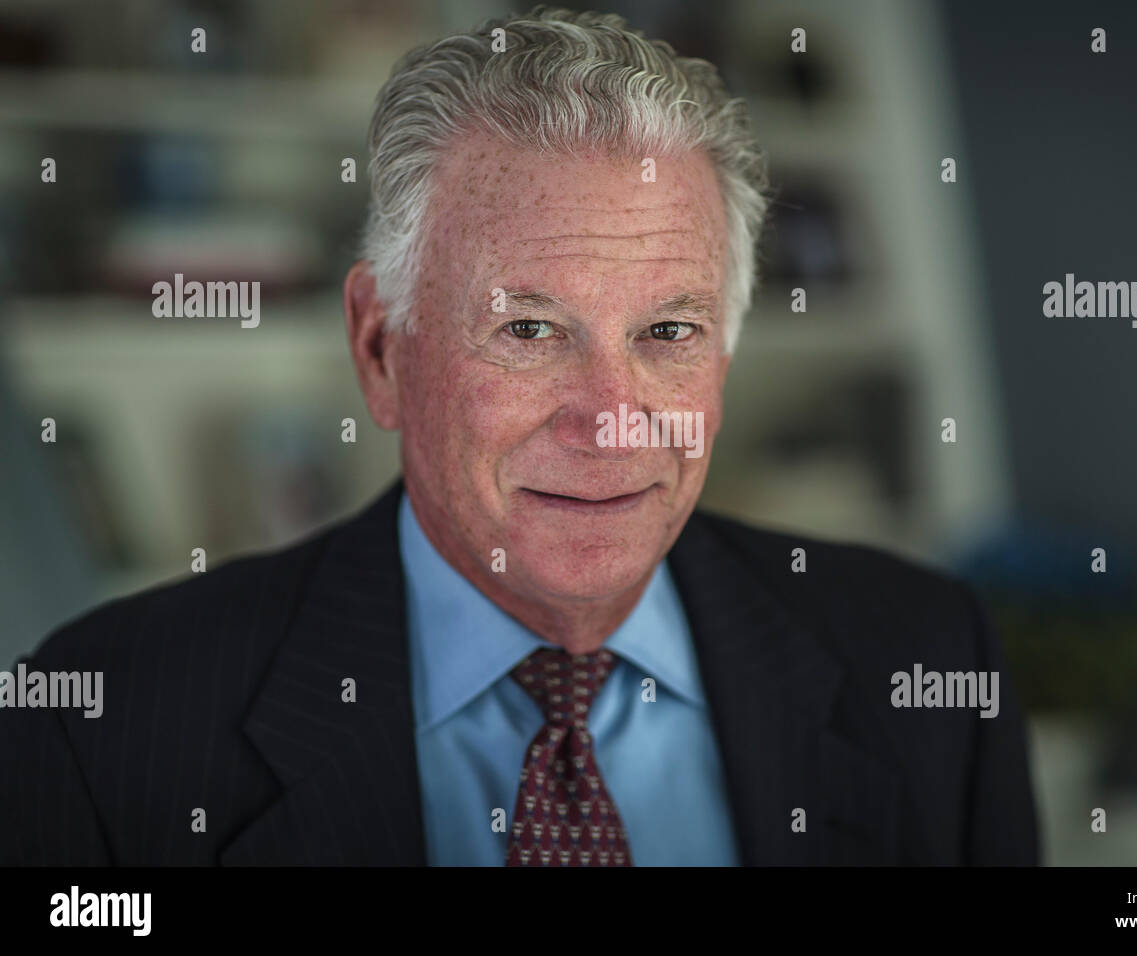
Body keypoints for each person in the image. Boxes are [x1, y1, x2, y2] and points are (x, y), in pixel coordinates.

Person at [0, 6, 1037, 866]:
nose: (611, 416)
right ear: (380, 351)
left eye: (667, 330)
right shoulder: (107, 720)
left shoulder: (927, 659)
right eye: (529, 328)